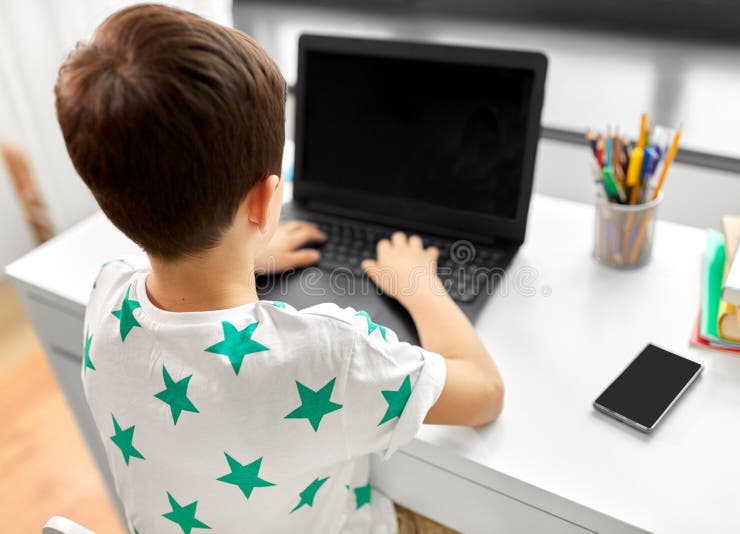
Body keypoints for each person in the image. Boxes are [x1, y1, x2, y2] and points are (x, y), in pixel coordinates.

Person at [54, 4, 503, 532]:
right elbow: (485, 395)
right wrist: (420, 285)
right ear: (265, 201)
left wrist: (241, 248)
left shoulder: (106, 296)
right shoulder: (331, 355)